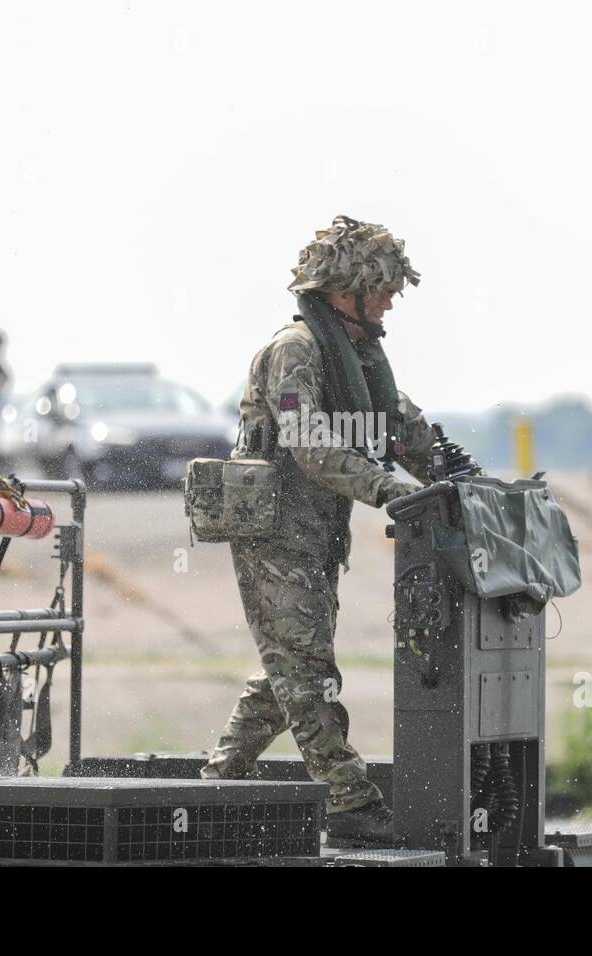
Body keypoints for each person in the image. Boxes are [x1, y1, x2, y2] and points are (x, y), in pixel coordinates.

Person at [200, 216, 441, 846]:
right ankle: (348, 799)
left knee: (290, 667)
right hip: (274, 534)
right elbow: (307, 443)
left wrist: (457, 475)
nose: (390, 301)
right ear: (344, 289)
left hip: (317, 537)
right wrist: (388, 488)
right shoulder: (296, 350)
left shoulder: (358, 358)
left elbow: (405, 428)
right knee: (307, 670)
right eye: (382, 288)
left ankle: (218, 783)